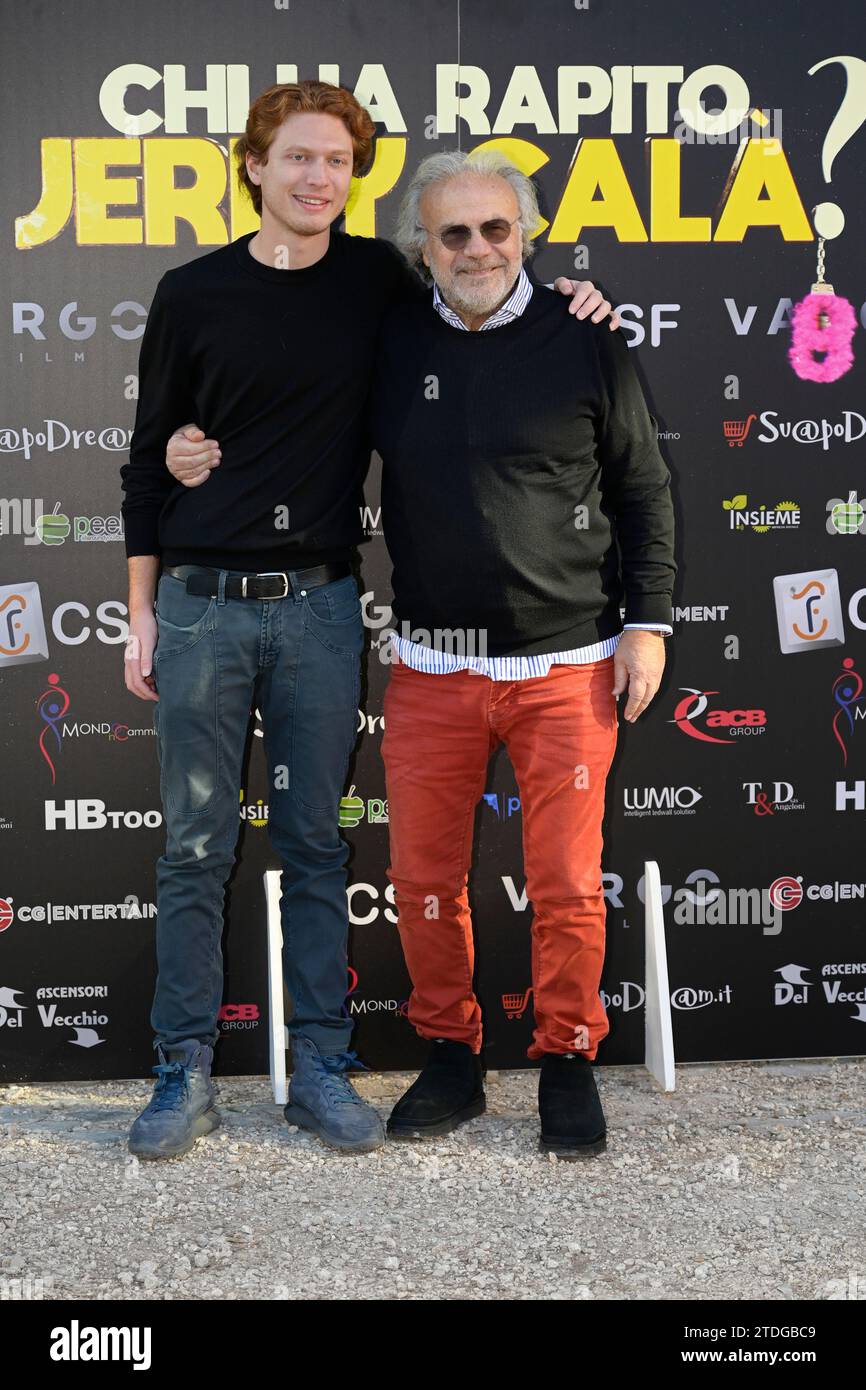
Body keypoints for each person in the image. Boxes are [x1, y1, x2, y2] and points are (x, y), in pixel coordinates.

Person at [121, 80, 617, 1162]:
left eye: (337, 162)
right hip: (202, 609)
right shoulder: (190, 291)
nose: (316, 178)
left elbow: (486, 302)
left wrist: (574, 299)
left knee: (312, 842)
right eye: (296, 157)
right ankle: (180, 1075)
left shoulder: (380, 282)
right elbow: (149, 454)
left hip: (322, 607)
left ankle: (321, 1068)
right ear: (253, 166)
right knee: (195, 848)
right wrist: (142, 607)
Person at [367, 150, 676, 1158]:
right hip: (431, 665)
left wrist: (648, 621)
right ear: (422, 246)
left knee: (565, 885)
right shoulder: (387, 336)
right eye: (451, 232)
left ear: (527, 235)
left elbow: (642, 487)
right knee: (420, 876)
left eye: (495, 228)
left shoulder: (584, 334)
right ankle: (451, 1054)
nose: (475, 249)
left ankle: (566, 1058)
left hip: (566, 666)